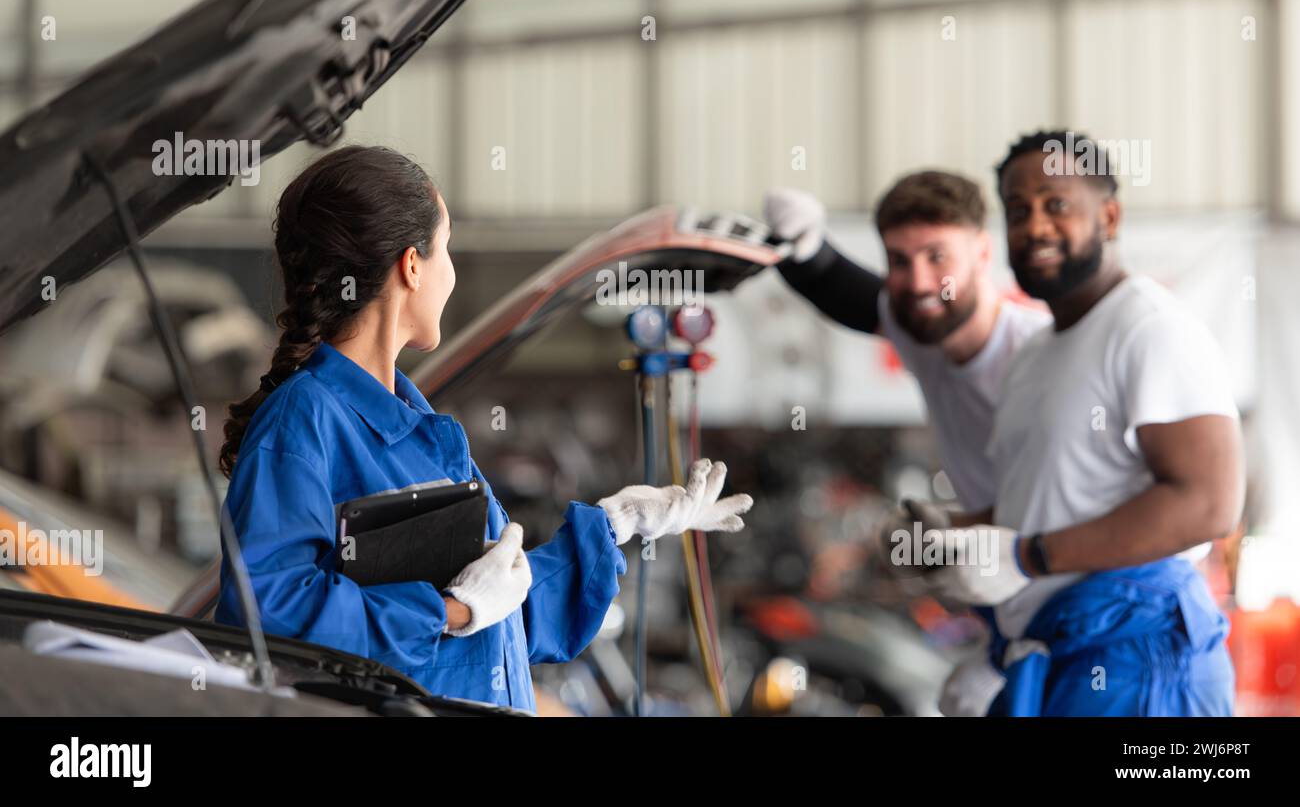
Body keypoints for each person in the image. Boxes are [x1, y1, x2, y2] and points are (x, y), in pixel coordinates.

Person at [214, 145, 752, 712]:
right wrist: (452, 611)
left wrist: (617, 526)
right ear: (412, 264)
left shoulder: (417, 429)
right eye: (447, 249)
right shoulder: (305, 420)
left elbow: (504, 625)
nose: (452, 273)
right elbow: (270, 617)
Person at [931, 130, 1243, 716]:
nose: (1035, 227)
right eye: (1018, 211)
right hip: (1056, 654)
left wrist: (1029, 558)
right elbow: (1046, 503)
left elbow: (1209, 503)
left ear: (1109, 215)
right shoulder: (1035, 354)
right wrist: (940, 540)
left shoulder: (1149, 329)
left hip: (1138, 659)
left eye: (1056, 205)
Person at [765, 172, 1049, 714]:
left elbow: (1106, 508)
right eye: (899, 261)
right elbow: (849, 293)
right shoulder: (922, 327)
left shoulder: (1037, 357)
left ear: (983, 252)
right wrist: (804, 249)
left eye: (938, 256)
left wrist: (1009, 644)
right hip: (1012, 614)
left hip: (1091, 612)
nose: (919, 281)